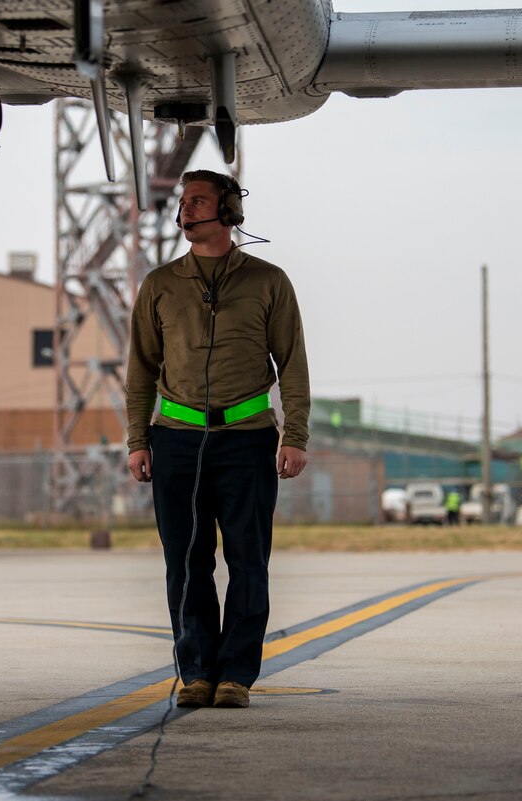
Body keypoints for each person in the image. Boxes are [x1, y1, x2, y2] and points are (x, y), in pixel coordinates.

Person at [126, 170, 310, 709]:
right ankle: (197, 672)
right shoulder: (160, 284)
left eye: (198, 201)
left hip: (248, 440)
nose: (185, 210)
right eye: (182, 202)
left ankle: (235, 675)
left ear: (228, 210)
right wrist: (138, 439)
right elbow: (140, 369)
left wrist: (293, 434)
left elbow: (292, 363)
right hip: (175, 440)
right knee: (186, 562)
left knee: (249, 560)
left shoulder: (268, 280)